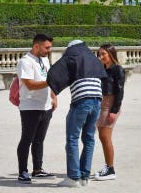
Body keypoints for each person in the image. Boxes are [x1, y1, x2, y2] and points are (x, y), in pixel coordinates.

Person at [47, 40, 107, 187]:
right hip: (97, 100)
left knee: (72, 138)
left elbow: (55, 72)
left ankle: (73, 178)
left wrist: (54, 88)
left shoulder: (71, 55)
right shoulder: (93, 57)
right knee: (89, 139)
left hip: (82, 101)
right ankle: (84, 177)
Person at [16, 33, 57, 183]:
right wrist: (49, 82)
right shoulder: (25, 62)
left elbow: (48, 79)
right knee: (27, 139)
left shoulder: (45, 59)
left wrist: (53, 97)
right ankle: (23, 172)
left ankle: (37, 170)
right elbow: (30, 85)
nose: (49, 50)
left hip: (45, 106)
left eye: (50, 47)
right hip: (30, 107)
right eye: (47, 47)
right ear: (36, 46)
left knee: (39, 140)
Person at [95, 44, 125, 181]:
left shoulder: (117, 69)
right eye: (99, 54)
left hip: (111, 104)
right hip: (102, 104)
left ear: (111, 54)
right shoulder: (102, 68)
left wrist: (114, 110)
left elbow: (120, 91)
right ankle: (108, 166)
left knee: (105, 136)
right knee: (102, 136)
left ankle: (111, 169)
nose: (100, 56)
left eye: (103, 54)